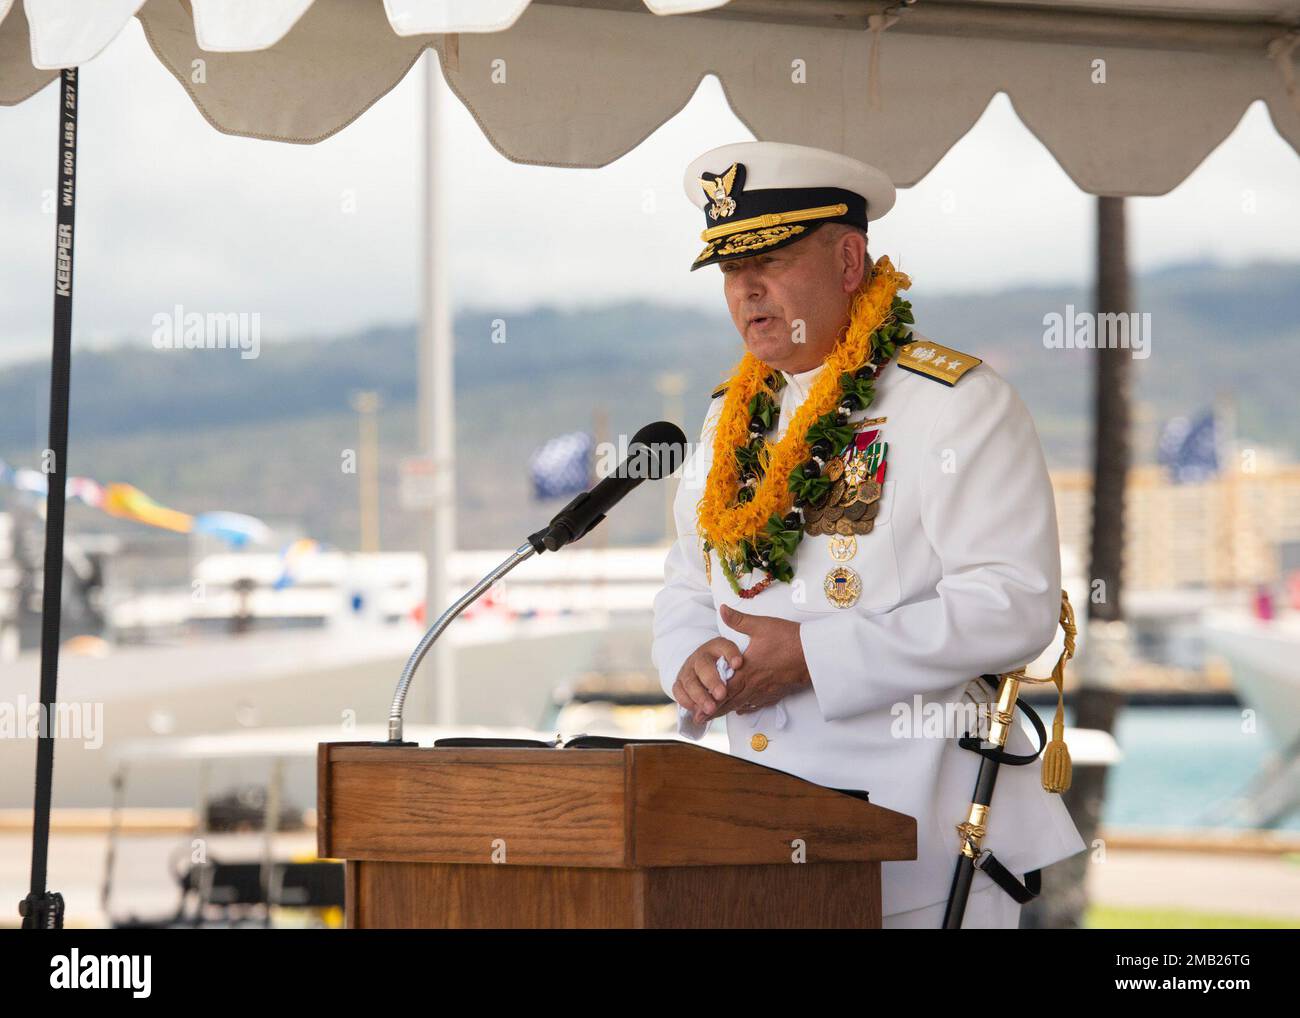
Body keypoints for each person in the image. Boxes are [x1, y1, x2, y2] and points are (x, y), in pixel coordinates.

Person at [651, 140, 1085, 928]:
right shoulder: (730, 416)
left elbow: (1014, 604)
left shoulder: (954, 404)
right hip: (751, 840)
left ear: (849, 262)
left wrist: (815, 656)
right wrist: (685, 656)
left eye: (772, 259)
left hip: (921, 849)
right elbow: (689, 579)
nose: (746, 288)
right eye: (727, 270)